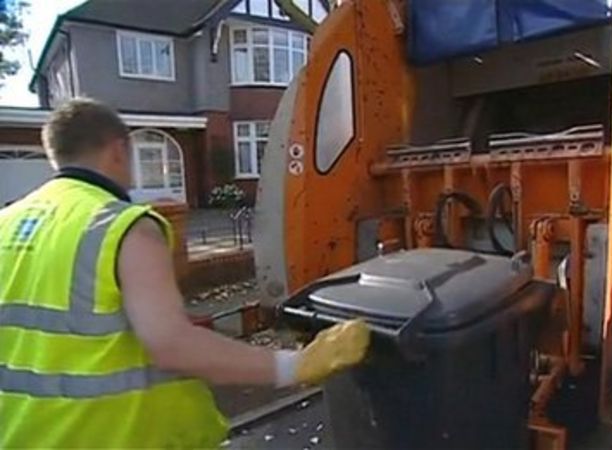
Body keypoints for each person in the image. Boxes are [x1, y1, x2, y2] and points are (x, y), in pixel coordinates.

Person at [0, 98, 370, 448]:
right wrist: (295, 365)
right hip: (117, 439)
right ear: (117, 150)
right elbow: (171, 345)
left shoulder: (7, 223)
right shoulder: (119, 225)